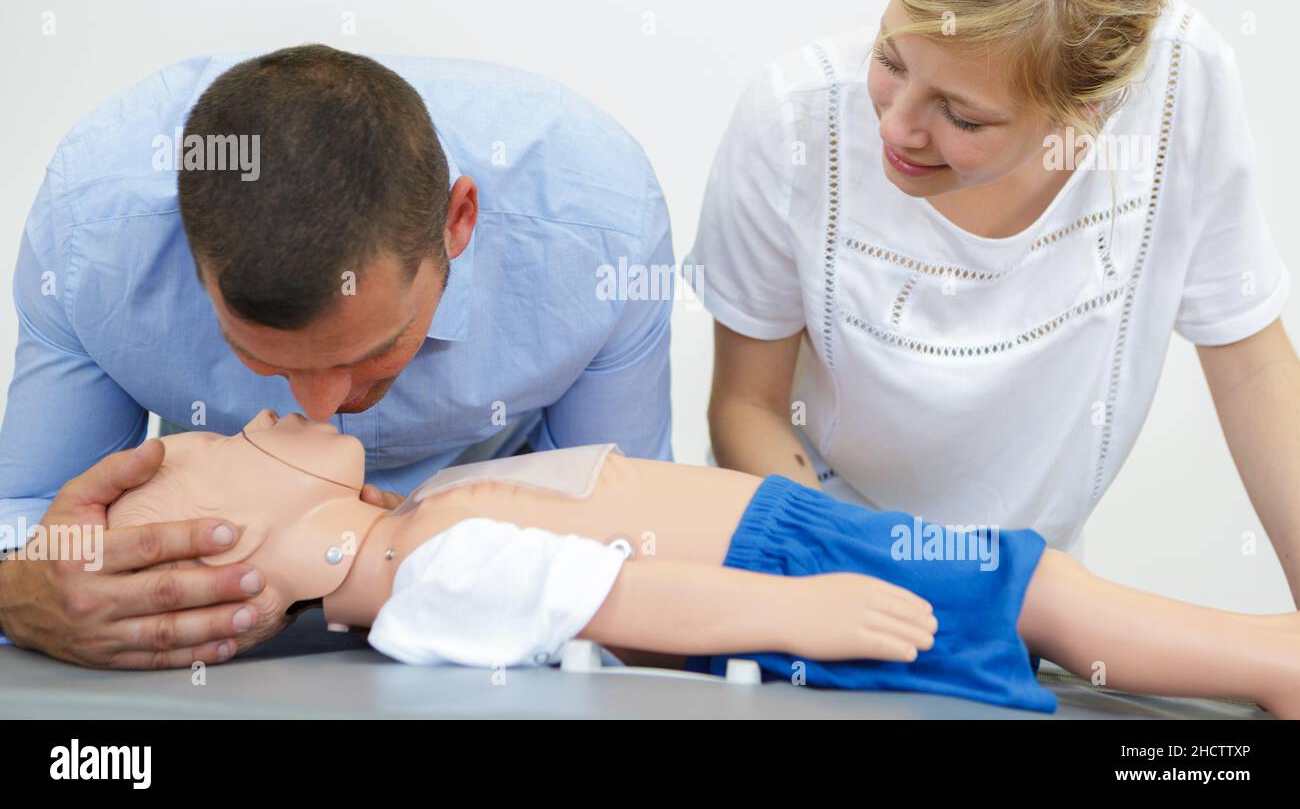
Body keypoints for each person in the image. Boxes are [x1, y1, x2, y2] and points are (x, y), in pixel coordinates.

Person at [686, 0, 1300, 595]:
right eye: (889, 58)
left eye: (961, 115)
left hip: (1029, 596)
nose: (897, 124)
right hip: (819, 570)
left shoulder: (1178, 85)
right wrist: (853, 594)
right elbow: (747, 405)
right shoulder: (793, 116)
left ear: (1091, 114)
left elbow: (1254, 364)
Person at [0, 45, 674, 667]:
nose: (316, 407)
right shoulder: (91, 239)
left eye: (376, 351)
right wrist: (18, 595)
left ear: (458, 222)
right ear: (191, 262)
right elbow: (26, 517)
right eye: (260, 357)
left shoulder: (596, 232)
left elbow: (630, 533)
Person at [101, 411, 1300, 716]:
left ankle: (1254, 656)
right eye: (231, 446)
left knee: (1029, 592)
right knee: (1031, 591)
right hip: (779, 565)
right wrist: (797, 605)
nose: (261, 416)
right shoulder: (435, 568)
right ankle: (1263, 661)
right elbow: (623, 590)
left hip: (787, 540)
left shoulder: (419, 524)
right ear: (251, 549)